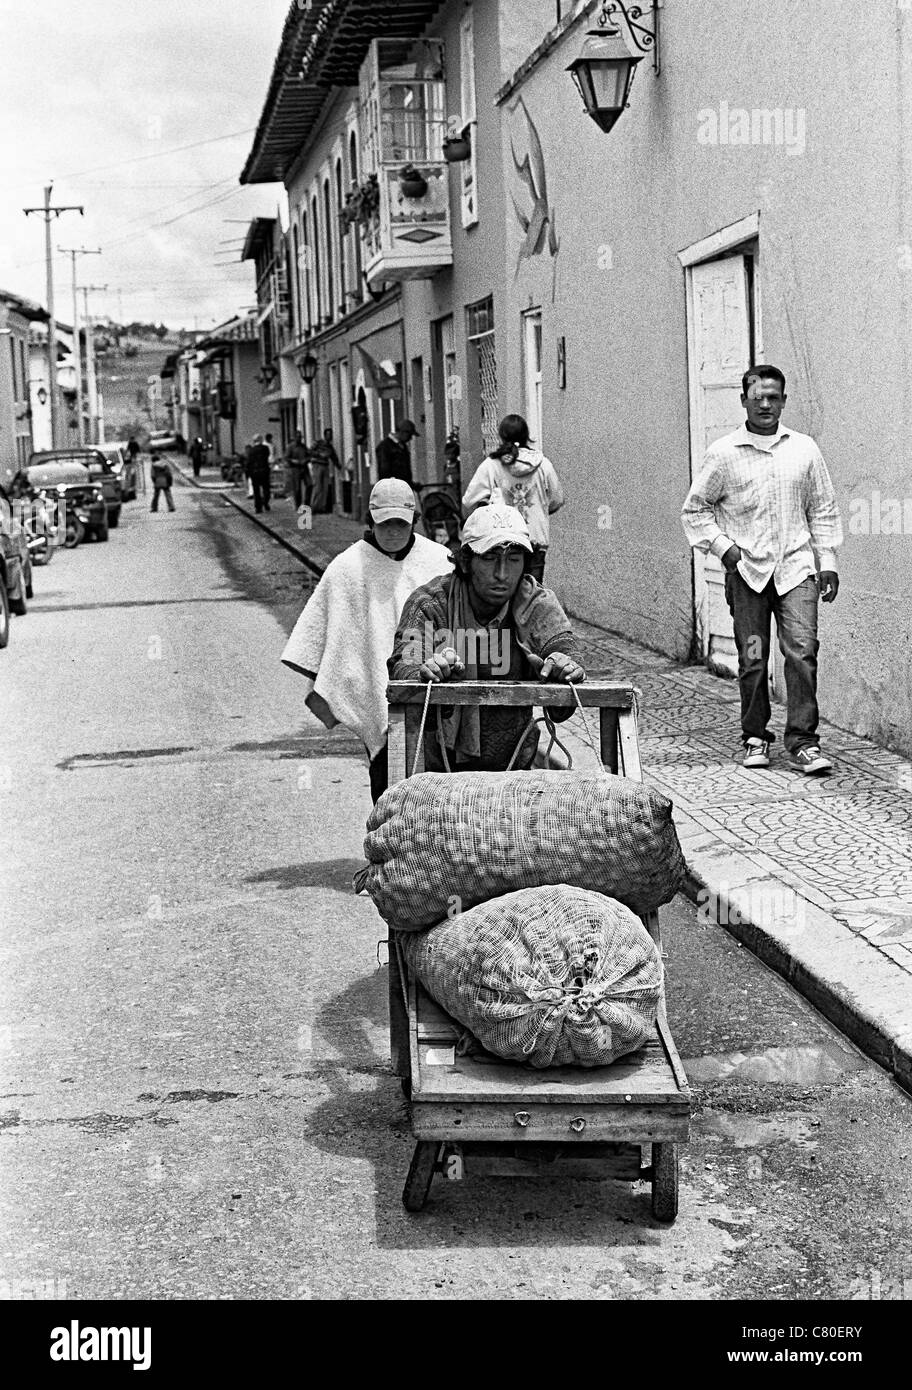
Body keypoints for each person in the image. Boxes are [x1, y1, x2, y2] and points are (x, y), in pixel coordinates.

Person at [681, 364, 843, 775]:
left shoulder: (804, 449)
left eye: (774, 397)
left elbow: (822, 508)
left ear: (784, 401)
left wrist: (829, 562)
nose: (766, 404)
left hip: (796, 570)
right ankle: (755, 735)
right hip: (748, 573)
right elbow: (695, 510)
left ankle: (803, 741)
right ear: (744, 401)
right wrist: (725, 550)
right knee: (754, 657)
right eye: (758, 398)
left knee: (802, 654)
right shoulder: (723, 454)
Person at [281, 479, 452, 802]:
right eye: (384, 523)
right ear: (370, 521)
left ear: (414, 520)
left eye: (400, 523)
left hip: (435, 686)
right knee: (386, 779)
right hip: (375, 688)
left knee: (438, 780)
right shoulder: (347, 567)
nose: (392, 531)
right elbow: (335, 636)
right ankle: (386, 846)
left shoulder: (438, 559)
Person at [388, 503, 585, 774]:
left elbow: (562, 644)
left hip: (512, 770)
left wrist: (565, 664)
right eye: (491, 558)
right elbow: (405, 664)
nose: (502, 574)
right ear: (467, 562)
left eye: (514, 559)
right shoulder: (430, 604)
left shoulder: (534, 602)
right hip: (438, 772)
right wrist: (425, 672)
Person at [462, 414, 565, 583]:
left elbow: (469, 500)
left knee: (504, 596)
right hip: (535, 540)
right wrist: (541, 511)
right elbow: (557, 499)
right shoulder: (543, 464)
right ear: (527, 436)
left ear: (501, 436)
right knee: (532, 595)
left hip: (502, 539)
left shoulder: (492, 465)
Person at [376, 419, 418, 485]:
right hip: (392, 488)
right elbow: (384, 470)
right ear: (403, 432)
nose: (410, 438)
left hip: (402, 487)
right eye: (409, 435)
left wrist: (410, 484)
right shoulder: (385, 446)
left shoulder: (402, 446)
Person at [309, 428, 339, 513]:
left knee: (325, 487)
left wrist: (338, 466)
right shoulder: (318, 443)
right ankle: (313, 507)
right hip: (317, 465)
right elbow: (310, 451)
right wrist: (319, 454)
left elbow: (334, 457)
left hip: (325, 466)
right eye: (328, 434)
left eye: (331, 435)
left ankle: (322, 507)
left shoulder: (330, 447)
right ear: (325, 435)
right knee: (317, 487)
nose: (330, 436)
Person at [286, 430, 312, 511]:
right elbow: (286, 457)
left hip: (304, 468)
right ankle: (298, 505)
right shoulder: (290, 447)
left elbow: (309, 455)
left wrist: (307, 460)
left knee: (309, 484)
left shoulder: (303, 446)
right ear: (294, 438)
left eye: (300, 437)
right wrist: (293, 461)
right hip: (295, 469)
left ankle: (307, 503)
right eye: (298, 437)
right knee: (297, 489)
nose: (299, 439)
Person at [246, 433, 272, 513]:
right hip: (264, 471)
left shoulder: (251, 450)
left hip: (255, 472)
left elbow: (249, 462)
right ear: (261, 440)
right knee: (266, 489)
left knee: (256, 491)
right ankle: (265, 502)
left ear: (254, 441)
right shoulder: (265, 448)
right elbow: (267, 456)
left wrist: (248, 473)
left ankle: (258, 507)